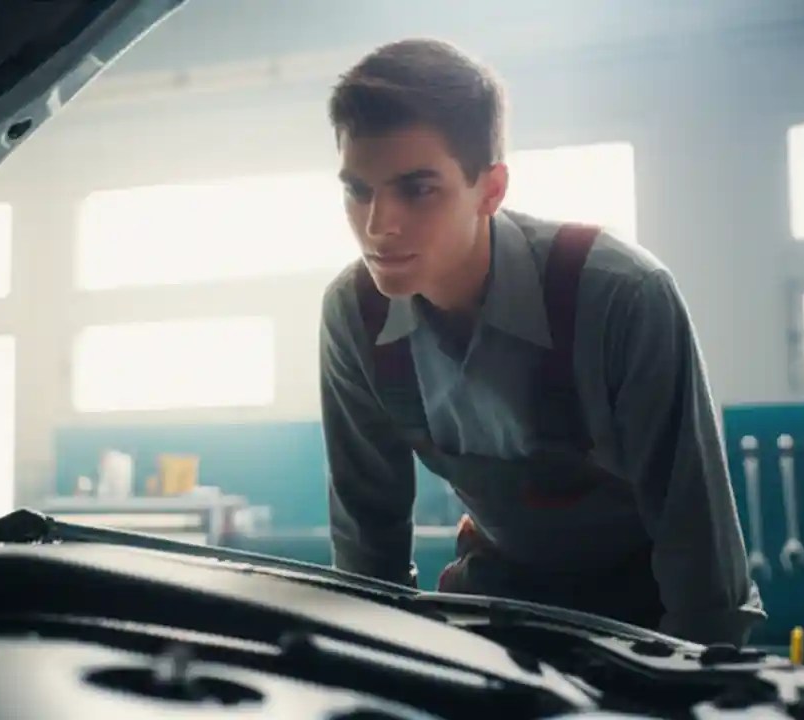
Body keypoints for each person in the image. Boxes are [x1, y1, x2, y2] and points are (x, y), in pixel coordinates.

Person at [318, 38, 765, 646]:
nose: (377, 226)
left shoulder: (622, 297)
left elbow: (699, 550)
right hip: (498, 593)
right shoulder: (354, 317)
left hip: (648, 609)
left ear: (492, 189)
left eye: (417, 189)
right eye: (358, 190)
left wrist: (697, 689)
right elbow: (368, 547)